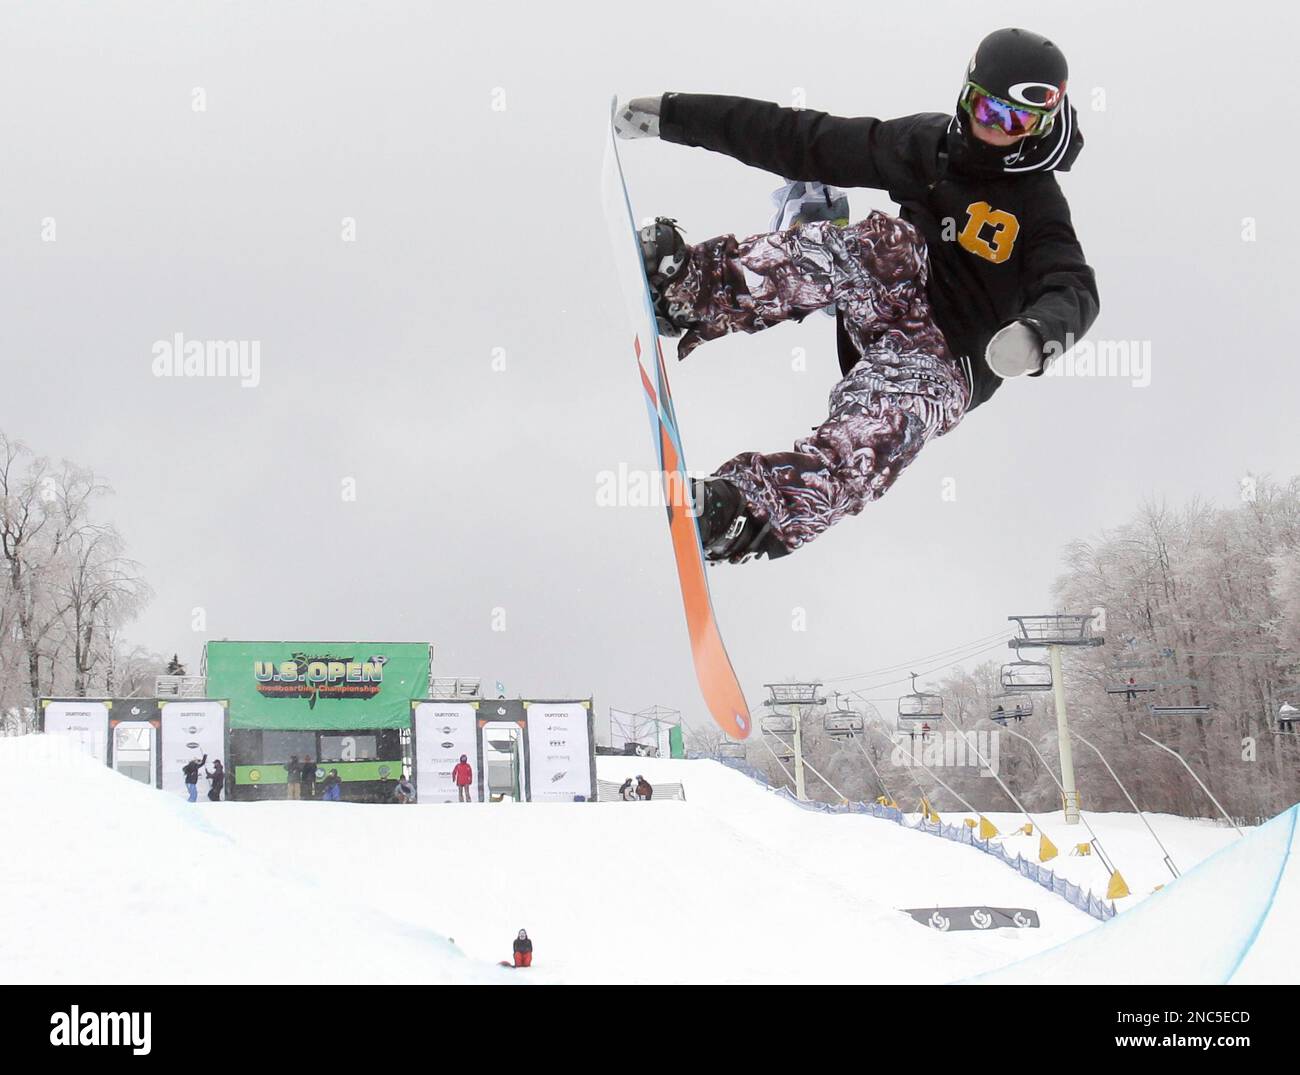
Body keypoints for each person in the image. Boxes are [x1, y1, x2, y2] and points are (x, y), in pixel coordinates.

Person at [616, 27, 1098, 563]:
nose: (996, 132)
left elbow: (1073, 286)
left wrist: (1038, 334)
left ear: (1042, 124)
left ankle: (750, 513)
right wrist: (677, 116)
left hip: (947, 364)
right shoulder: (927, 145)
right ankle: (696, 290)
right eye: (987, 111)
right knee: (882, 242)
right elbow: (806, 140)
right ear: (965, 96)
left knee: (876, 432)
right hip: (892, 301)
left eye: (1016, 121)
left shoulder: (1039, 203)